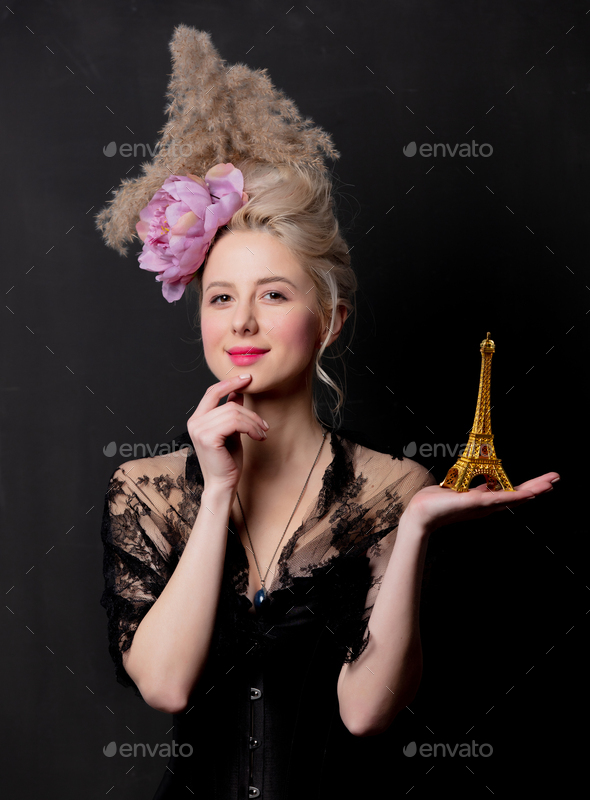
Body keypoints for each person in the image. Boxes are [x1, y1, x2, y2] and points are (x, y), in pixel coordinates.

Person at [97, 27, 559, 800]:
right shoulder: (144, 490)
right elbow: (167, 687)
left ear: (330, 322)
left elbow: (367, 714)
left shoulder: (391, 487)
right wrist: (215, 492)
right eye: (221, 298)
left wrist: (411, 529)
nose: (241, 322)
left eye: (273, 294)